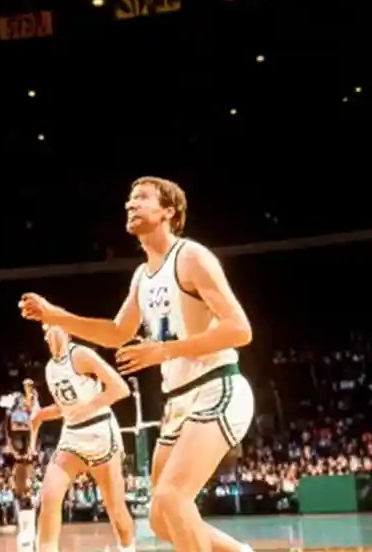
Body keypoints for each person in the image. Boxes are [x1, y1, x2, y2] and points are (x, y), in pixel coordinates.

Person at [19, 176, 255, 552]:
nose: (130, 205)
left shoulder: (191, 257)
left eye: (142, 198)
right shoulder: (142, 276)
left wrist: (165, 351)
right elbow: (116, 332)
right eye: (129, 199)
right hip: (178, 401)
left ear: (169, 212)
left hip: (217, 385)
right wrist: (56, 314)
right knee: (161, 519)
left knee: (174, 499)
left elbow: (240, 330)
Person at [30, 324, 136, 552]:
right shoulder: (50, 368)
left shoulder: (80, 355)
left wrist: (89, 407)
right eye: (46, 329)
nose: (50, 332)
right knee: (49, 496)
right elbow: (65, 408)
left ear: (66, 332)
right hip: (72, 436)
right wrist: (41, 415)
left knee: (116, 509)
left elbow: (120, 388)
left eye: (54, 327)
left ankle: (128, 548)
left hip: (100, 432)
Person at [1, 378, 38, 550]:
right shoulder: (12, 416)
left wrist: (31, 447)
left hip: (25, 455)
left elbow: (32, 427)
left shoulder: (29, 414)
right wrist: (10, 446)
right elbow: (8, 432)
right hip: (18, 456)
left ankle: (29, 531)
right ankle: (25, 531)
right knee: (22, 494)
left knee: (26, 495)